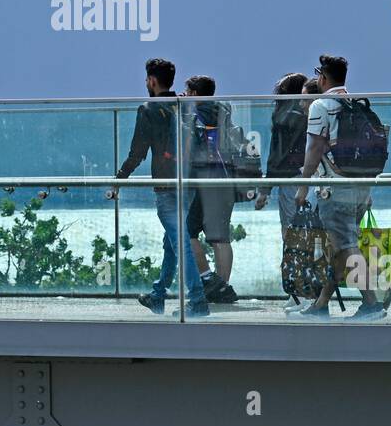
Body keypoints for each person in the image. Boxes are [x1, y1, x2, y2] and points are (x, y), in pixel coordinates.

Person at [294, 56, 385, 320]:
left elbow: (314, 149)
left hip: (334, 187)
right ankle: (321, 305)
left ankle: (371, 304)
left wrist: (302, 187)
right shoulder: (355, 103)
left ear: (322, 78)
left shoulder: (321, 105)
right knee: (340, 246)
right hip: (362, 188)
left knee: (345, 246)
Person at [117, 59, 209, 317]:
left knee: (180, 243)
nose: (146, 83)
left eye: (147, 79)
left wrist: (120, 179)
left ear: (152, 80)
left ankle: (198, 300)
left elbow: (138, 153)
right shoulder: (182, 106)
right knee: (172, 243)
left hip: (166, 187)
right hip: (188, 184)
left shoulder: (148, 109)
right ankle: (158, 295)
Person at [181, 75, 241, 304]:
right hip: (225, 179)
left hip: (204, 180)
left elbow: (188, 147)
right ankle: (222, 286)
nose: (184, 95)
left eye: (187, 92)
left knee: (188, 232)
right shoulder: (224, 111)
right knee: (220, 237)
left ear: (195, 93)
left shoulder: (193, 115)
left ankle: (208, 279)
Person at [255, 73, 319, 242]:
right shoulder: (310, 113)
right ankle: (311, 265)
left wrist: (265, 189)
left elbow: (276, 155)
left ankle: (293, 265)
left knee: (289, 228)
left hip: (290, 177)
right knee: (313, 226)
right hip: (312, 173)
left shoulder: (282, 117)